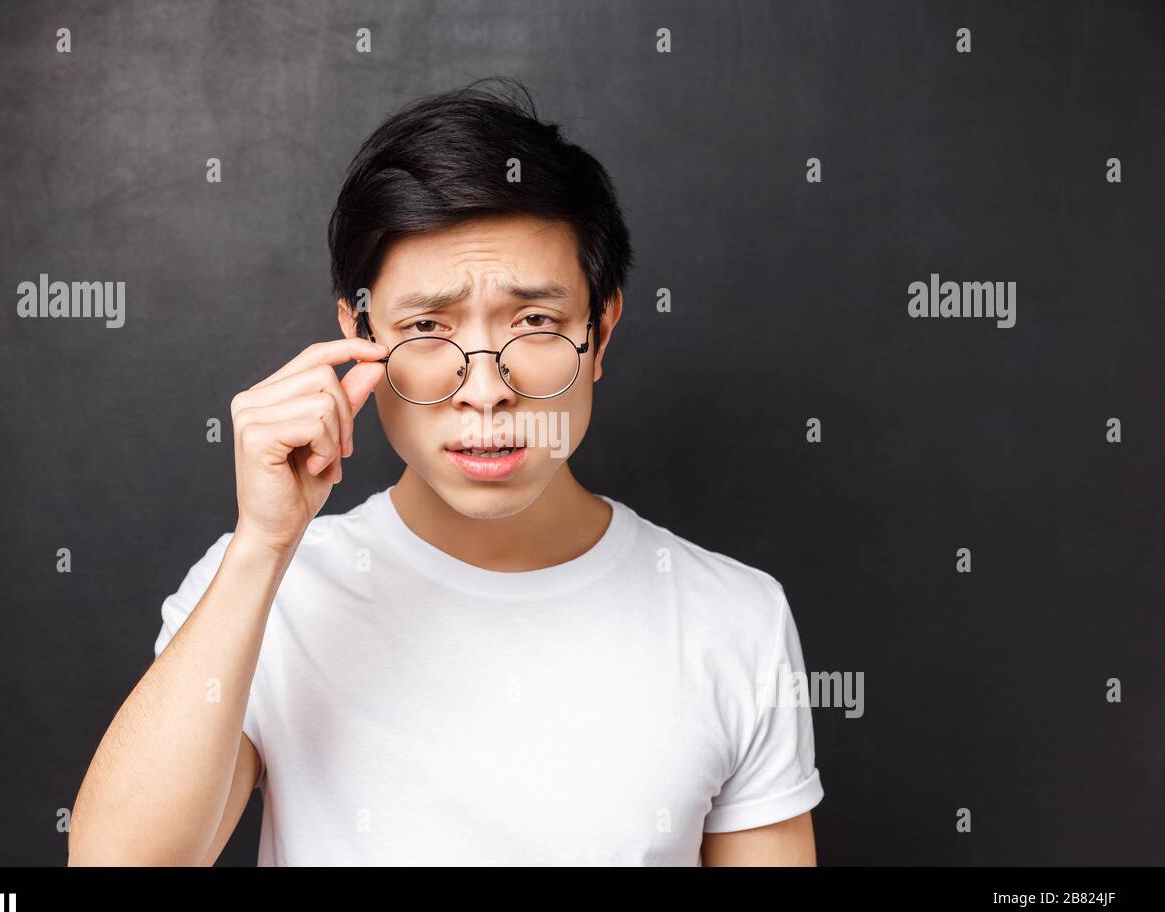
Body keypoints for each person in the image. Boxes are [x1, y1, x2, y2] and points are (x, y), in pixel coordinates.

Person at [68, 76, 823, 866]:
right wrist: (262, 545)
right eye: (427, 327)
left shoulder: (734, 619)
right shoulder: (269, 594)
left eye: (535, 322)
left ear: (600, 332)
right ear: (356, 334)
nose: (487, 388)